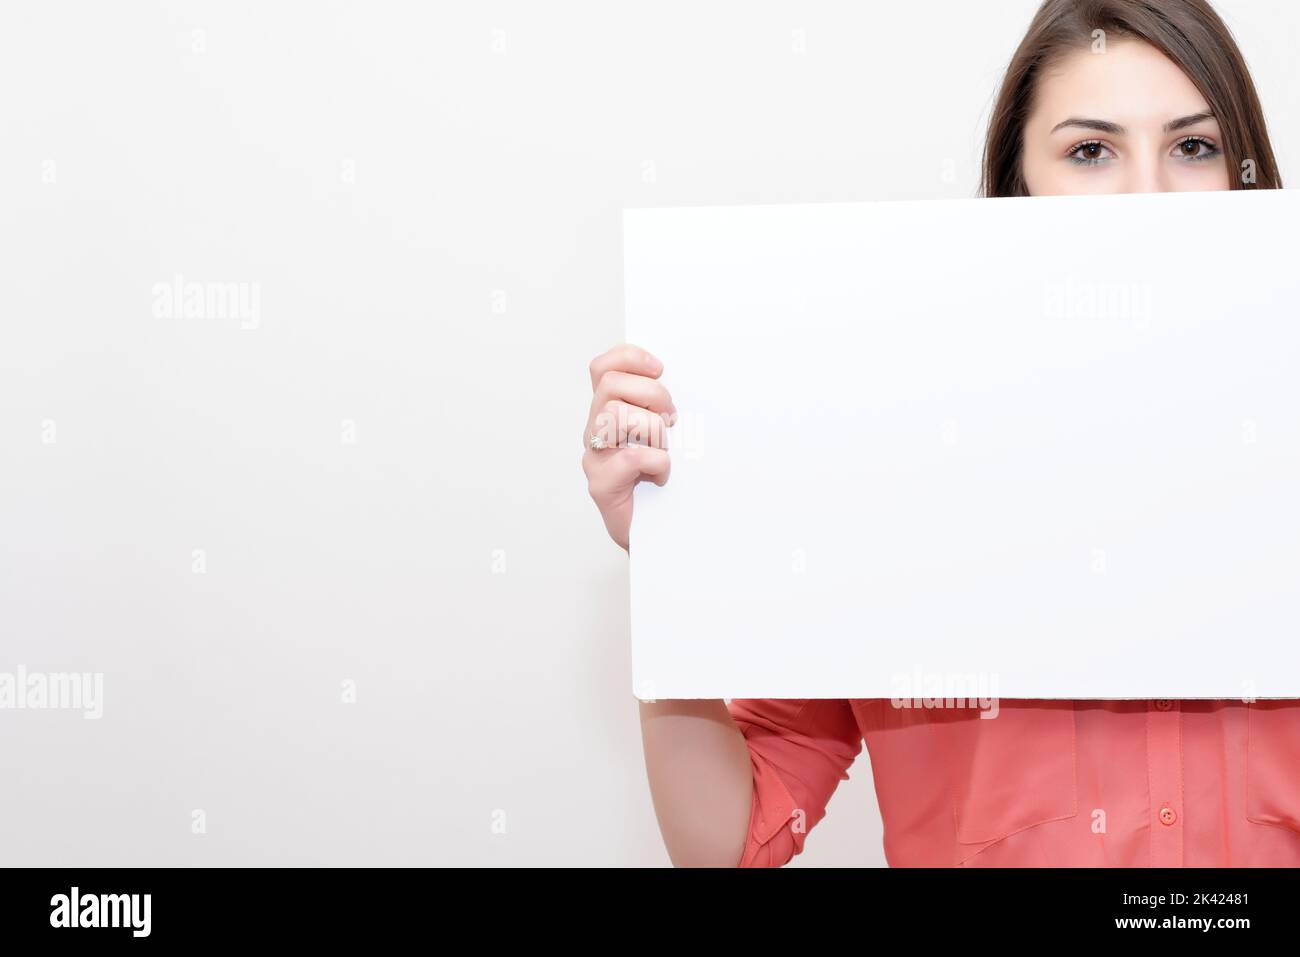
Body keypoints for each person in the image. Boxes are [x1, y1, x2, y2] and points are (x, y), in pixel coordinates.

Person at [582, 0, 1292, 867]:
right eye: (1090, 151)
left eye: (1193, 145)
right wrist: (675, 560)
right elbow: (733, 838)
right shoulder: (881, 455)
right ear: (1016, 188)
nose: (1146, 196)